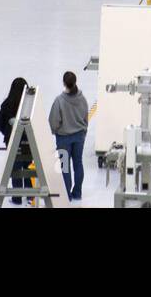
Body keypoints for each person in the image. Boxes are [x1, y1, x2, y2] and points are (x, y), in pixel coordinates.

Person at [49, 71, 89, 203]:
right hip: (79, 136)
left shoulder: (59, 101)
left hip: (64, 138)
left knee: (64, 166)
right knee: (78, 163)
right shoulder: (82, 99)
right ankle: (77, 192)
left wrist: (55, 131)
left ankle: (67, 194)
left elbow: (53, 122)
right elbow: (85, 117)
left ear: (64, 83)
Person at [0, 78, 31, 205]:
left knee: (15, 168)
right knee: (28, 166)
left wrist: (8, 133)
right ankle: (30, 194)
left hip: (12, 140)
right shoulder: (29, 105)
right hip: (28, 140)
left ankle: (17, 197)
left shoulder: (6, 105)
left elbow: (1, 125)